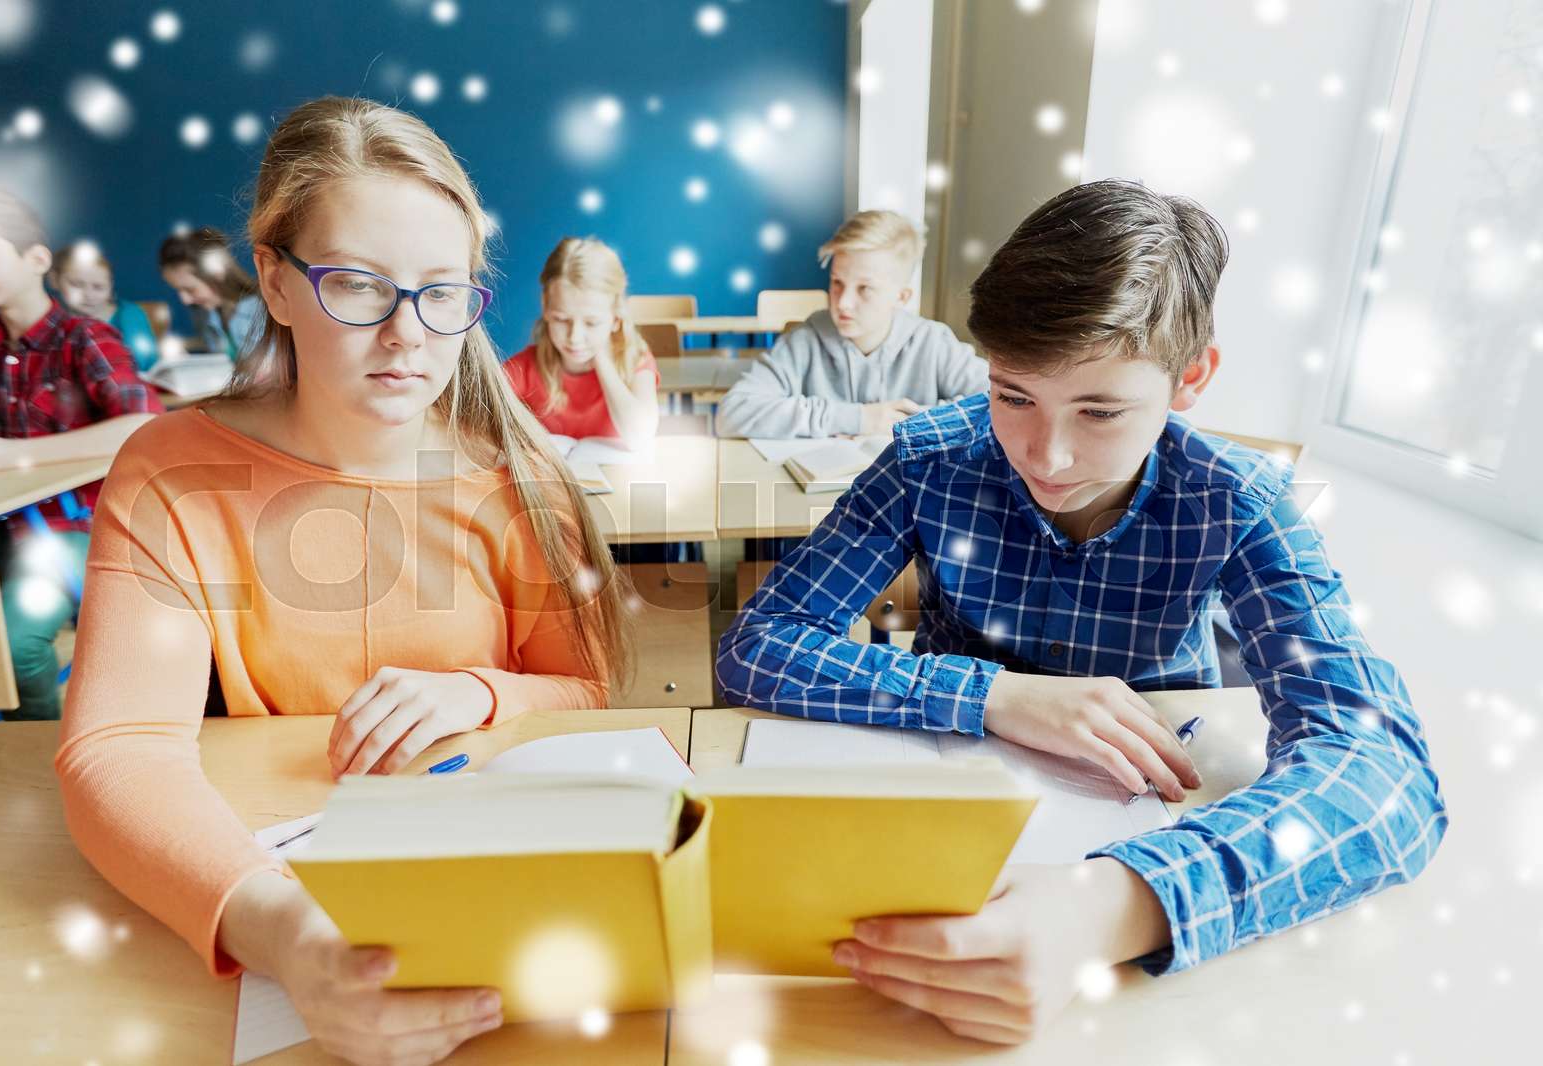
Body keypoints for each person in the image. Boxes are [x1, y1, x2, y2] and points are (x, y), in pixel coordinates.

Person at [716, 179, 1446, 1045]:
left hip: (1147, 845)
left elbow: (1385, 773)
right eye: (1013, 396)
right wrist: (992, 695)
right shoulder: (929, 455)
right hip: (938, 835)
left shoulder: (1240, 501)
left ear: (1191, 378)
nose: (1046, 455)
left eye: (1100, 410)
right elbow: (756, 647)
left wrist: (1117, 904)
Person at [57, 97, 631, 1066]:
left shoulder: (517, 474)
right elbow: (117, 749)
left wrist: (478, 688)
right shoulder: (172, 470)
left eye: (440, 291)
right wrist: (284, 932)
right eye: (360, 286)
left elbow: (586, 691)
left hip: (495, 898)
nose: (408, 333)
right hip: (271, 880)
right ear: (275, 282)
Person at [0, 184, 161, 721]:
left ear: (36, 258)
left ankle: (31, 747)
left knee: (15, 648)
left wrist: (7, 456)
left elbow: (144, 424)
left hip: (74, 528)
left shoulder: (85, 338)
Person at [716, 209, 987, 439]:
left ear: (901, 297)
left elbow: (992, 402)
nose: (843, 302)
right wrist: (859, 419)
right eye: (837, 283)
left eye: (864, 289)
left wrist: (905, 424)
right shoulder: (804, 341)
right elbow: (731, 414)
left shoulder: (933, 342)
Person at [503, 236, 659, 446]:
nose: (574, 338)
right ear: (546, 308)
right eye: (561, 319)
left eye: (592, 323)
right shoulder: (524, 368)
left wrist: (602, 360)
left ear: (616, 318)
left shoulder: (635, 360)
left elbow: (640, 437)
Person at [51, 240, 159, 372]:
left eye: (98, 287)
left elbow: (141, 366)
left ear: (110, 285)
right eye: (77, 285)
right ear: (54, 280)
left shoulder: (129, 316)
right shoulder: (50, 319)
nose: (88, 295)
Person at [157, 226, 262, 358]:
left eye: (190, 289)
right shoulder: (209, 317)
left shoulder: (260, 314)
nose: (185, 300)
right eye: (178, 290)